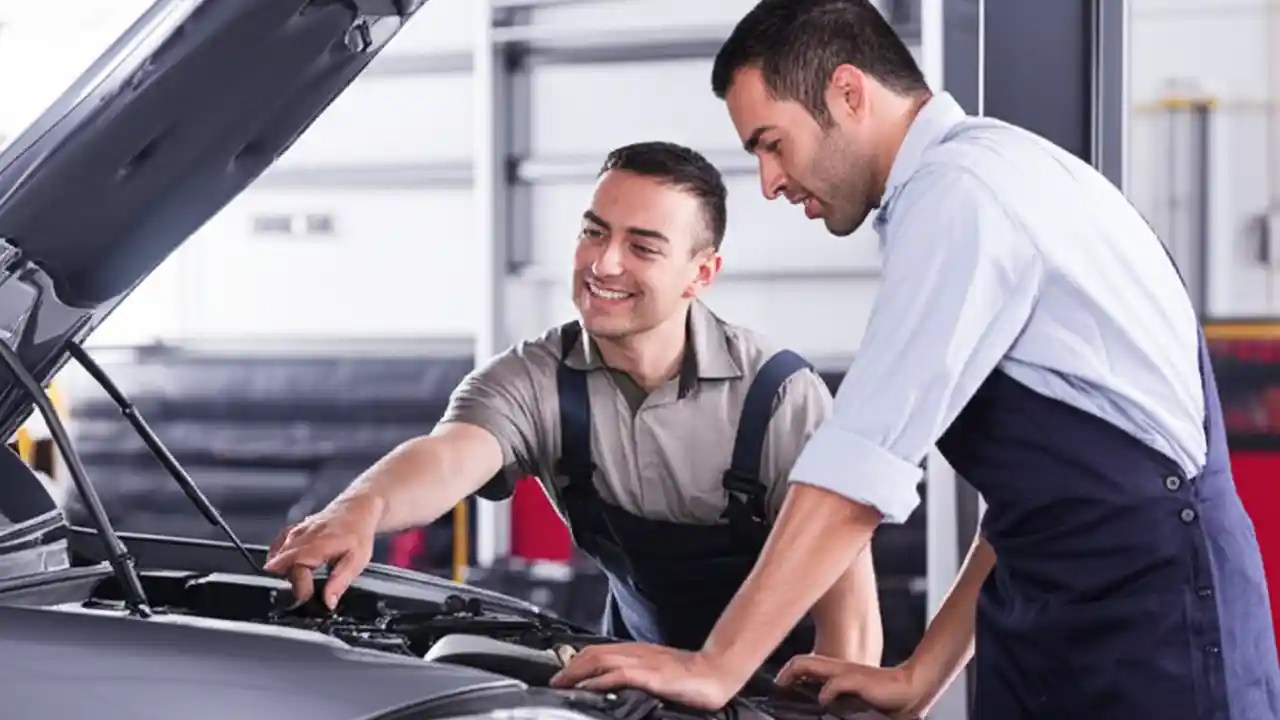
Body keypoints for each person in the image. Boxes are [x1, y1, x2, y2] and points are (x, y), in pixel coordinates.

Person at [548, 1, 1280, 718]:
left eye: (772, 144)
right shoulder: (977, 180)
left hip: (1155, 625)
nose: (769, 181)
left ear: (847, 92)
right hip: (1056, 614)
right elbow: (1039, 492)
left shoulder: (963, 195)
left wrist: (716, 667)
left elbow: (856, 468)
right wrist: (921, 673)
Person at [262, 140, 884, 671]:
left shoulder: (779, 399)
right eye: (594, 231)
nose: (604, 263)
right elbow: (450, 455)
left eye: (643, 246)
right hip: (634, 678)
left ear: (701, 274)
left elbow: (850, 628)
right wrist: (361, 508)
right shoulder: (536, 378)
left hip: (786, 695)